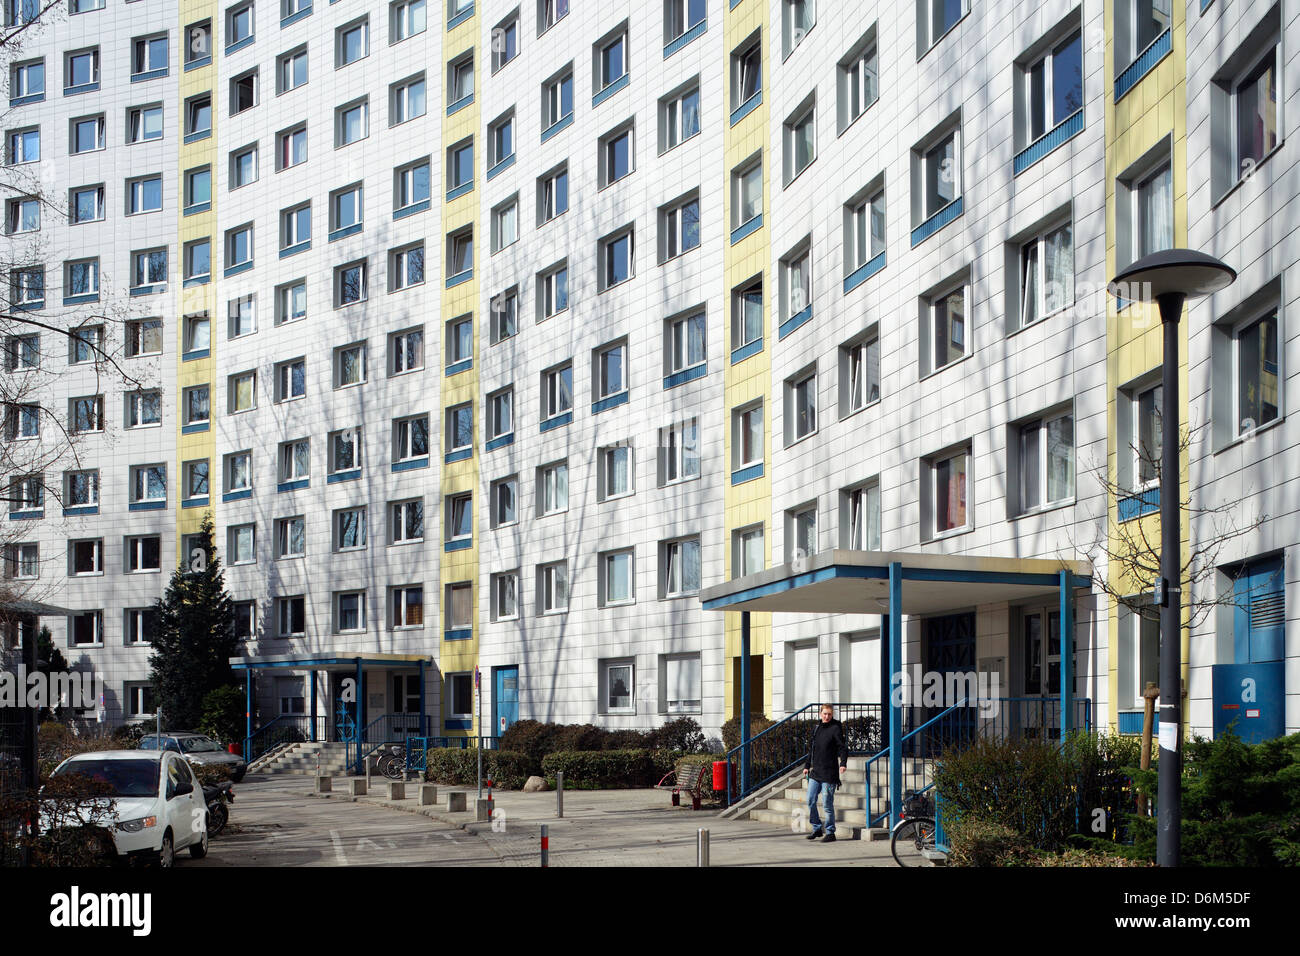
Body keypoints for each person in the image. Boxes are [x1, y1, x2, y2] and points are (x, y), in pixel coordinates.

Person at [802, 703, 848, 842]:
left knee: (827, 803)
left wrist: (843, 763)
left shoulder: (835, 728)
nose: (827, 716)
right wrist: (807, 766)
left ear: (832, 714)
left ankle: (830, 832)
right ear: (820, 714)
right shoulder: (816, 728)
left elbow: (842, 748)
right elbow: (812, 749)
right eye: (824, 714)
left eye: (829, 714)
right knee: (810, 800)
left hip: (829, 773)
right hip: (816, 772)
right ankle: (816, 828)